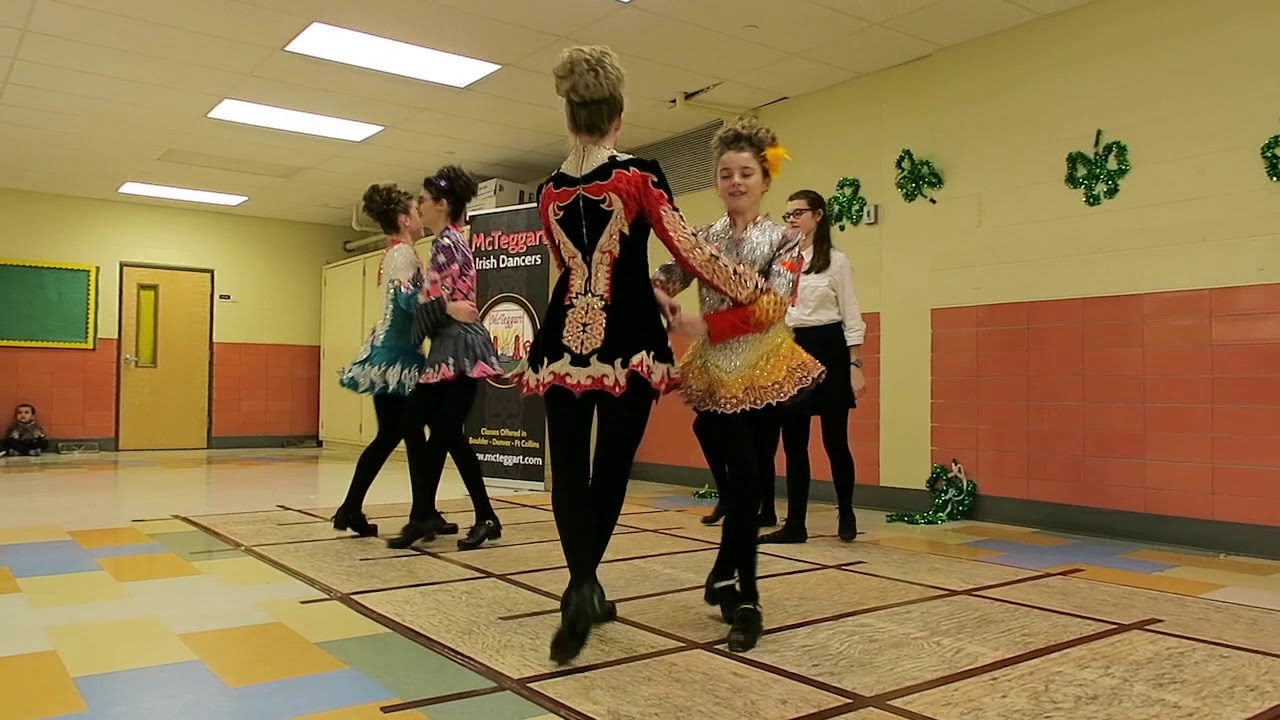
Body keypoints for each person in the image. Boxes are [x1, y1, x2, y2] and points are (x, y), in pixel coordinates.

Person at [512, 46, 772, 666]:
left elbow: (565, 266)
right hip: (626, 340)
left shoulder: (548, 190)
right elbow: (689, 251)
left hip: (560, 343)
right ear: (619, 119)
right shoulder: (639, 176)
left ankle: (582, 587)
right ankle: (582, 587)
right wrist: (755, 291)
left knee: (568, 472)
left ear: (569, 118)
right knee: (610, 470)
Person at [657, 116, 825, 653]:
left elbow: (774, 306)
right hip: (716, 371)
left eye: (745, 173)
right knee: (746, 480)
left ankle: (735, 584)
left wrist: (700, 325)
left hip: (767, 369)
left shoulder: (787, 240)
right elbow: (672, 273)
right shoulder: (703, 237)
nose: (734, 182)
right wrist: (658, 289)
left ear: (764, 181)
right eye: (725, 173)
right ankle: (739, 588)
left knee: (751, 481)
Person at [336, 184, 475, 538]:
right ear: (404, 219)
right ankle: (419, 512)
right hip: (397, 362)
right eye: (416, 210)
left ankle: (368, 508)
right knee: (422, 433)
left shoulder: (400, 253)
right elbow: (408, 303)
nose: (420, 216)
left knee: (399, 436)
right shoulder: (403, 255)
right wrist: (448, 306)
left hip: (391, 356)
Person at [387, 166, 505, 551]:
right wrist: (444, 307)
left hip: (458, 351)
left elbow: (429, 301)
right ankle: (423, 515)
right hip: (449, 349)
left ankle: (481, 516)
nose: (419, 205)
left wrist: (436, 306)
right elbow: (441, 302)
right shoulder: (451, 241)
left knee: (441, 432)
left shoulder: (446, 244)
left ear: (441, 204)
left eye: (423, 200)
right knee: (434, 434)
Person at [760, 190, 867, 545]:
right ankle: (796, 524)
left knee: (836, 440)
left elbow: (851, 315)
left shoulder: (837, 262)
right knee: (793, 443)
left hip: (830, 348)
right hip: (792, 347)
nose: (790, 220)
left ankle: (847, 511)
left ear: (818, 216)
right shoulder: (782, 261)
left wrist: (855, 364)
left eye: (798, 213)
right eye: (787, 214)